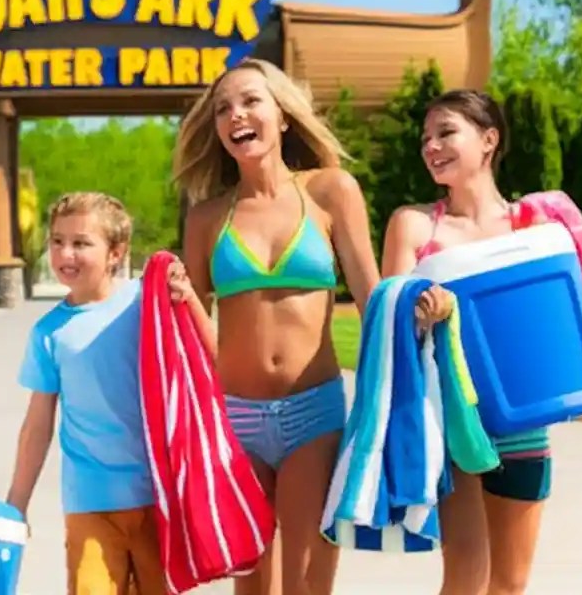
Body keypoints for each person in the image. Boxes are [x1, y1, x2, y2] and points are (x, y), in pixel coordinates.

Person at [171, 58, 447, 595]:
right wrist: (180, 300)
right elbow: (197, 338)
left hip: (312, 416)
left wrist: (418, 312)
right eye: (223, 109)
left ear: (283, 115)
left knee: (305, 582)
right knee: (251, 586)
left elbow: (374, 298)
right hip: (237, 420)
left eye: (251, 101)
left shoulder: (330, 191)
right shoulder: (206, 218)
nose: (236, 115)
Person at [379, 88, 582, 595]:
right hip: (453, 427)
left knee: (510, 585)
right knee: (466, 581)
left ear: (488, 139)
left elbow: (579, 308)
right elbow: (390, 333)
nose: (431, 146)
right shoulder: (414, 226)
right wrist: (422, 312)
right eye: (425, 138)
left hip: (523, 429)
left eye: (446, 132)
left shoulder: (537, 225)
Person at [6, 192, 165, 595]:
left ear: (116, 252)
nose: (65, 253)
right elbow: (37, 425)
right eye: (57, 241)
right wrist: (16, 504)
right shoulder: (50, 333)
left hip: (158, 499)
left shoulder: (146, 303)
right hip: (90, 502)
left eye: (81, 243)